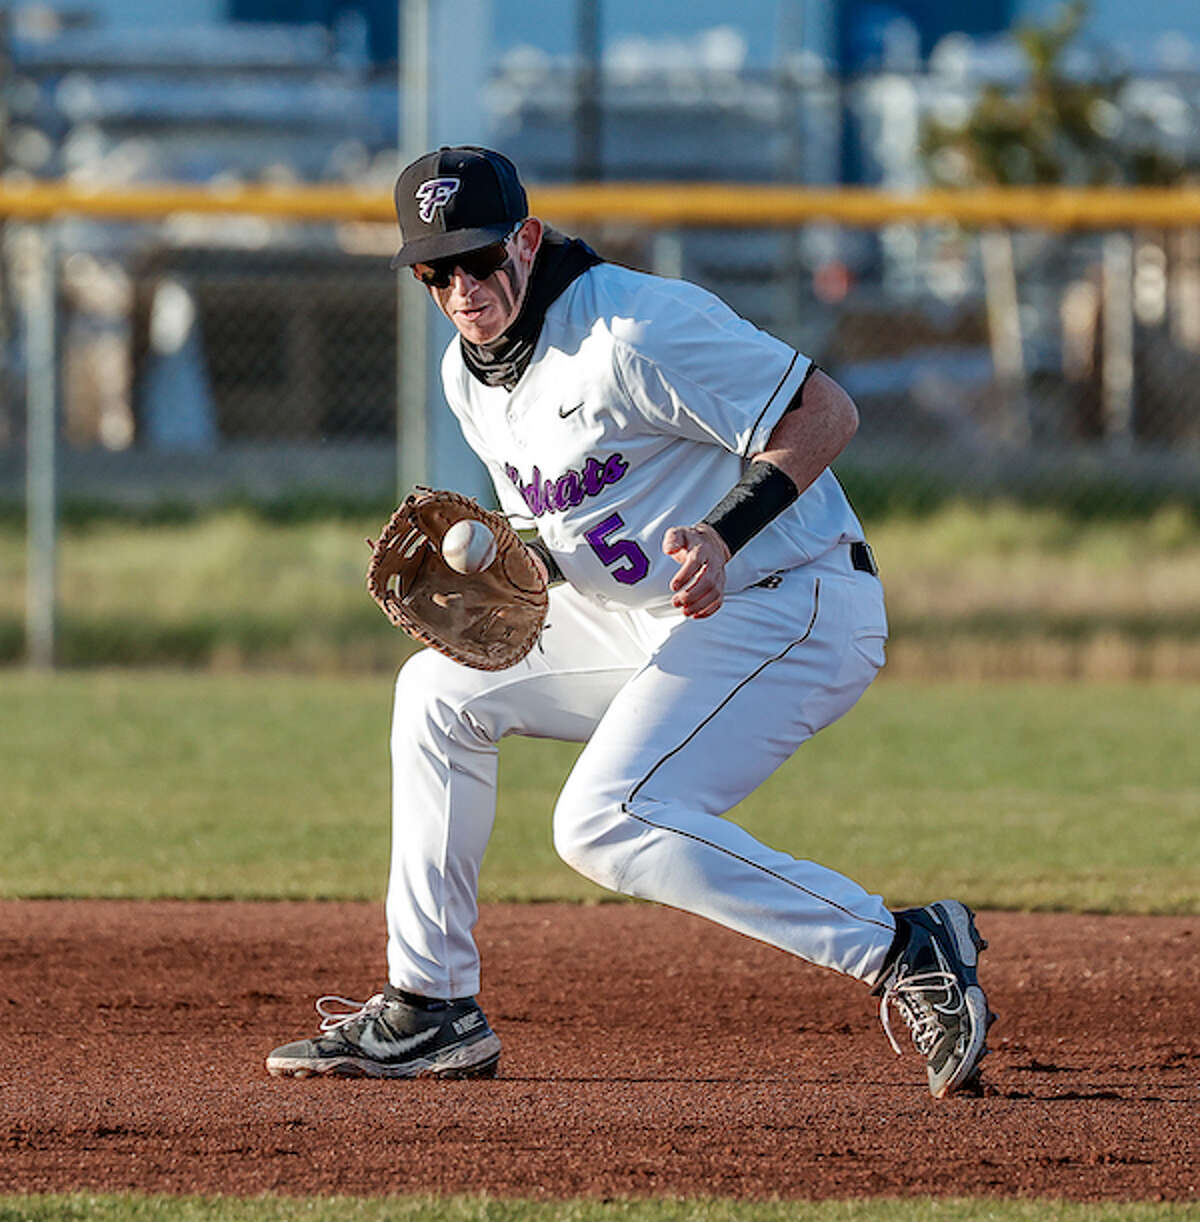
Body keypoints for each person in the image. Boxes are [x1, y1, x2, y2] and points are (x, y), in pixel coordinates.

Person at [266, 146, 993, 1098]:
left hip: (795, 600)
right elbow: (572, 529)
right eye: (435, 269)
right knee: (437, 694)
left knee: (604, 821)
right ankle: (432, 1006)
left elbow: (826, 410)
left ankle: (904, 948)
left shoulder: (635, 329)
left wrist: (726, 534)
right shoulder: (465, 376)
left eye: (479, 257)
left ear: (526, 241)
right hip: (646, 619)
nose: (461, 286)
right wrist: (519, 573)